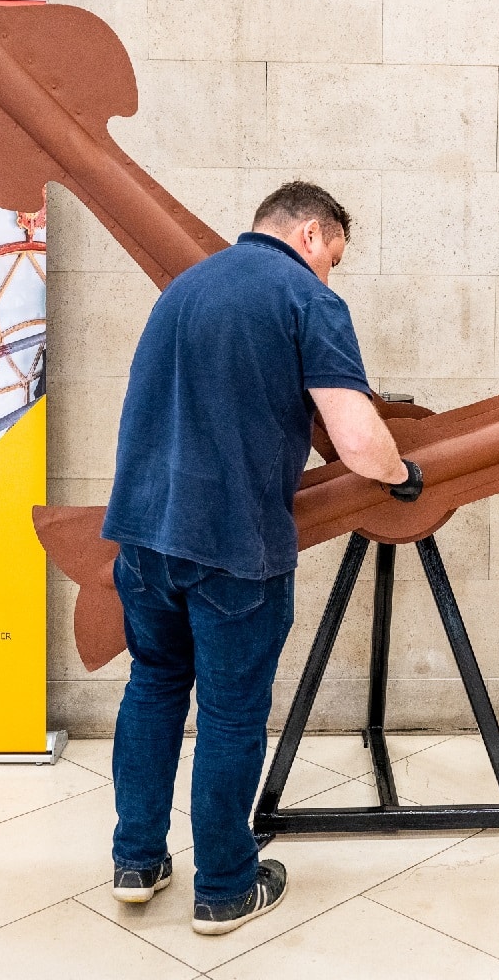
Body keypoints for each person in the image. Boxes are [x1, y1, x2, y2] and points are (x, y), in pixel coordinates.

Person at [101, 181, 424, 935]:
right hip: (233, 546)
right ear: (311, 233)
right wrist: (402, 474)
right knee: (231, 713)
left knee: (152, 687)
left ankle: (137, 861)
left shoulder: (184, 290)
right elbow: (358, 439)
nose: (330, 272)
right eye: (333, 256)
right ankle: (223, 888)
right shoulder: (306, 298)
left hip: (142, 536)